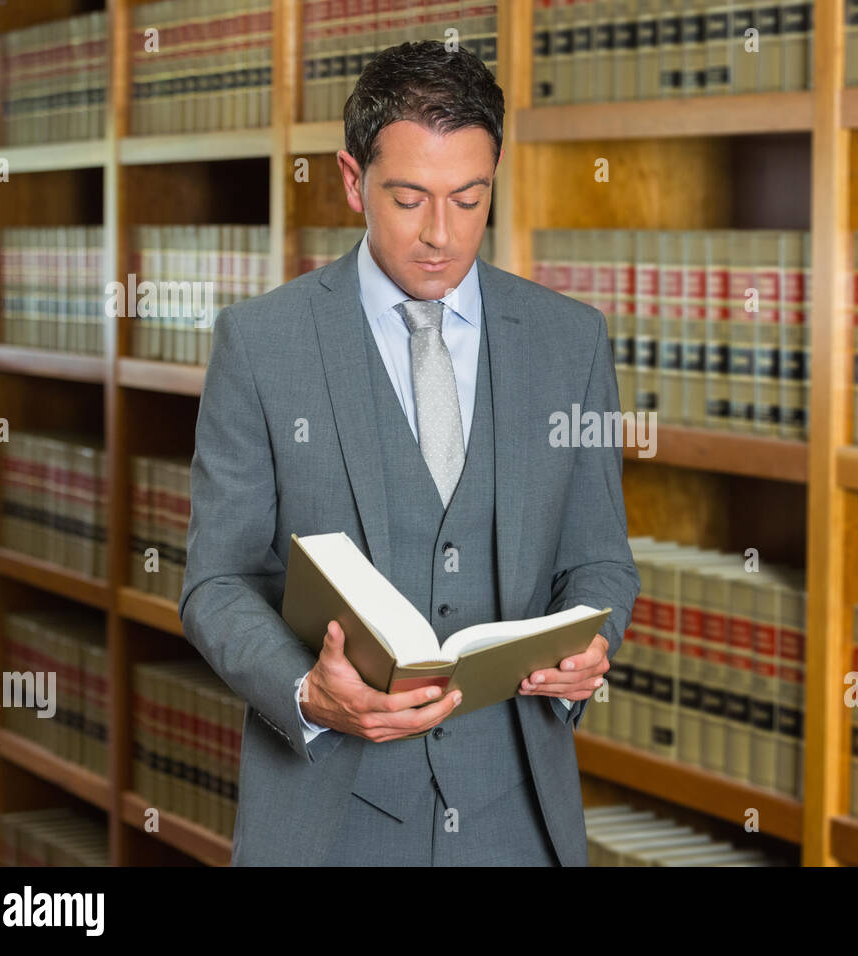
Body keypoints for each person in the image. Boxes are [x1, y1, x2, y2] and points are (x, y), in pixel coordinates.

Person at [178, 40, 639, 865]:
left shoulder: (572, 341)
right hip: (327, 818)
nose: (440, 234)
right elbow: (218, 582)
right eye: (409, 198)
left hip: (519, 817)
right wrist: (308, 694)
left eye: (469, 199)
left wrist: (591, 649)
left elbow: (601, 559)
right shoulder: (260, 343)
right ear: (354, 181)